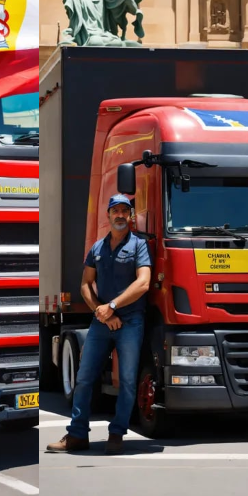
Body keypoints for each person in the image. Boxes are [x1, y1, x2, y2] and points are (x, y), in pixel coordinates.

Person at [47, 194, 152, 454]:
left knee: (127, 382)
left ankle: (116, 434)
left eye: (123, 211)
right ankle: (77, 435)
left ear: (130, 216)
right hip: (101, 321)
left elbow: (144, 283)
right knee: (84, 379)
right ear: (107, 215)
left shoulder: (139, 246)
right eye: (114, 211)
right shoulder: (97, 248)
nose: (119, 215)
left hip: (131, 321)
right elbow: (85, 284)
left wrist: (113, 306)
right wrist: (101, 312)